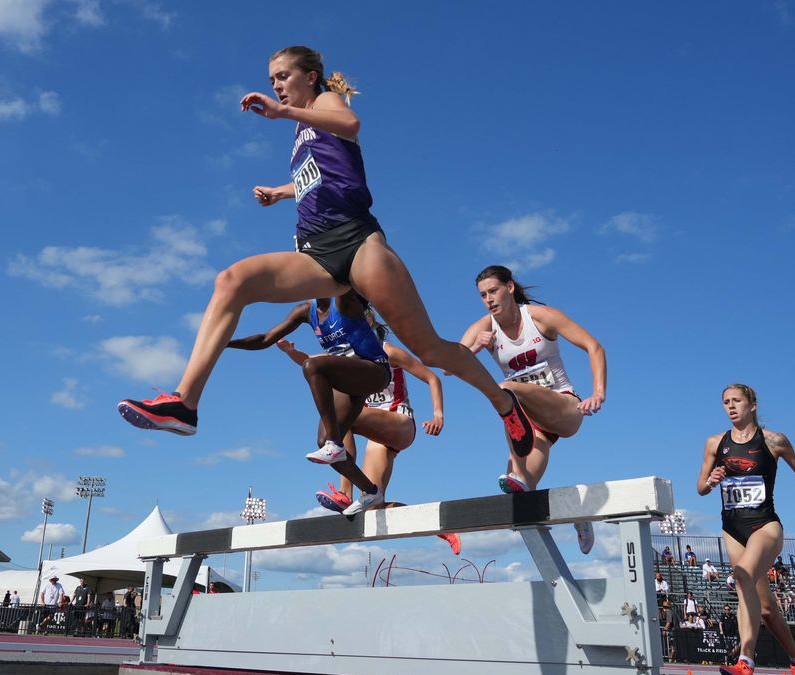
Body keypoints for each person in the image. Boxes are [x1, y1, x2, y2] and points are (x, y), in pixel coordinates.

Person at [117, 45, 536, 461]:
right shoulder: (302, 135)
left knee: (429, 350)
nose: (277, 86)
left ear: (310, 76)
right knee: (231, 281)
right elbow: (317, 180)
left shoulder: (324, 103)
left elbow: (350, 124)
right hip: (316, 254)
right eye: (272, 81)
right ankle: (184, 404)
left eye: (283, 77)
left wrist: (285, 114)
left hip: (358, 244)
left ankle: (504, 405)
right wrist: (281, 192)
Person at [459, 265, 606, 554]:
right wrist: (474, 348)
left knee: (505, 389)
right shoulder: (484, 328)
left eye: (493, 291)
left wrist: (598, 392)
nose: (488, 299)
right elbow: (451, 364)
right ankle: (577, 513)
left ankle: (518, 450)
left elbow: (593, 346)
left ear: (510, 287)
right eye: (482, 295)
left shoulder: (539, 318)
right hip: (531, 423)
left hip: (562, 406)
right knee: (517, 500)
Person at [227, 291, 392, 512]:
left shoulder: (344, 301)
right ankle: (371, 492)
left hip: (373, 371)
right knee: (323, 442)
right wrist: (226, 344)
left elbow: (352, 276)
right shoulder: (305, 311)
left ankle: (335, 444)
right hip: (346, 377)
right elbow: (266, 339)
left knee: (312, 365)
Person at [698, 384, 795, 675]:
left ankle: (745, 663)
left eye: (736, 400)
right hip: (732, 529)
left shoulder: (774, 440)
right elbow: (700, 488)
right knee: (766, 609)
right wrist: (712, 480)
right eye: (726, 402)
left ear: (752, 404)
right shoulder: (716, 443)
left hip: (765, 525)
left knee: (741, 576)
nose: (730, 406)